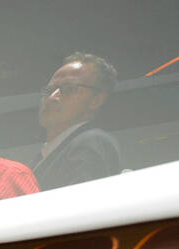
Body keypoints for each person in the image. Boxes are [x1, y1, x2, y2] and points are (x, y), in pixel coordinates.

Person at [32, 52, 122, 191]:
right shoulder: (46, 153)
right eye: (49, 90)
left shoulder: (90, 142)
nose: (52, 97)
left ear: (96, 100)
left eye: (69, 89)